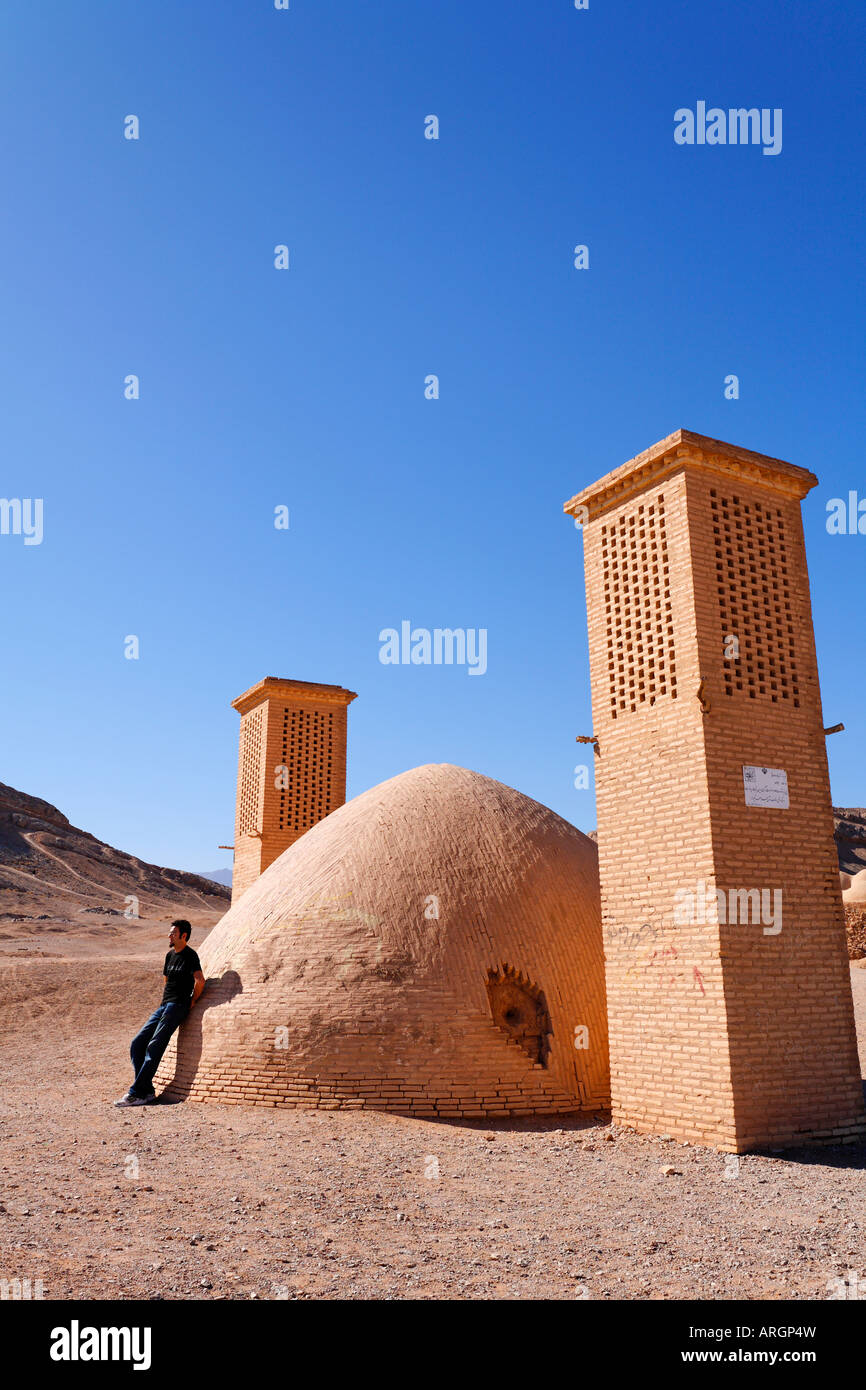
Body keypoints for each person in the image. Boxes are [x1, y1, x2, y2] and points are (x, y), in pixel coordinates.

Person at [114, 919, 205, 1107]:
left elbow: (200, 981)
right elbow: (166, 980)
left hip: (177, 1006)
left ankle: (136, 1093)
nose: (169, 935)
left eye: (173, 933)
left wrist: (192, 1000)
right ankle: (146, 1090)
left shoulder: (190, 956)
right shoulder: (169, 956)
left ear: (184, 936)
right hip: (164, 1005)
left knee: (154, 1047)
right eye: (170, 932)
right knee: (137, 1044)